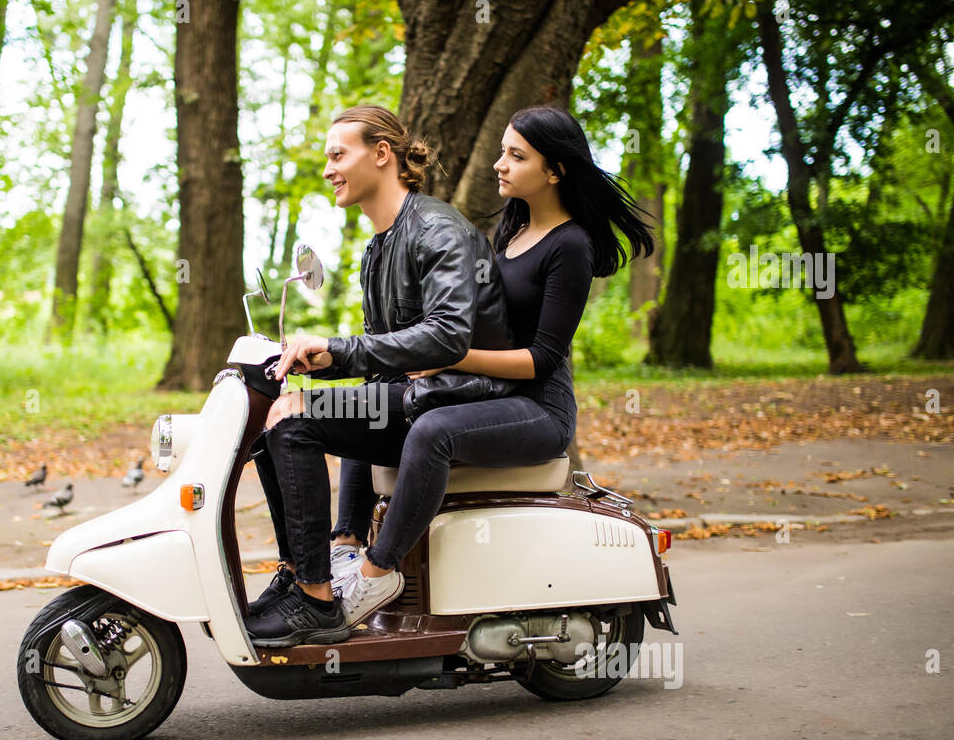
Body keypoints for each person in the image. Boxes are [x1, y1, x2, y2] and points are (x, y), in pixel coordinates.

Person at [331, 105, 656, 608]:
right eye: (503, 152)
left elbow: (541, 360)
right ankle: (344, 550)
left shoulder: (571, 246)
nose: (500, 164)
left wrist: (452, 358)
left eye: (516, 156)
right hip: (485, 393)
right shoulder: (510, 231)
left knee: (433, 433)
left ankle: (376, 573)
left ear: (554, 171)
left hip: (537, 410)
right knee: (369, 405)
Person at [244, 104, 514, 649]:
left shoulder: (438, 229)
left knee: (296, 423)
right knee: (277, 415)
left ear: (382, 154)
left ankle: (317, 601)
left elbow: (447, 336)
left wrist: (341, 350)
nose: (328, 169)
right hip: (414, 396)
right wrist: (324, 360)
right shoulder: (378, 247)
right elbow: (382, 358)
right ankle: (304, 574)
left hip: (456, 402)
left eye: (338, 155)